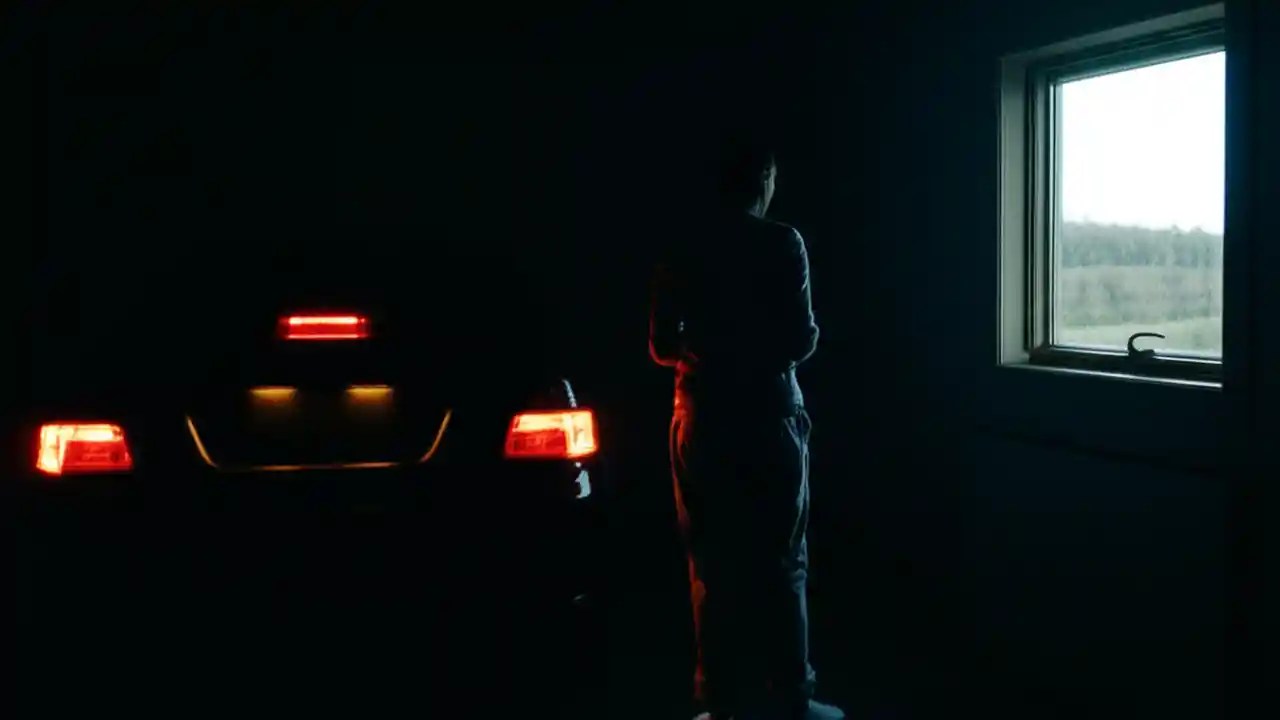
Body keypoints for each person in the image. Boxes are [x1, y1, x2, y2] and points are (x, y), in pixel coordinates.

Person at [649, 136, 844, 720]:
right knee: (783, 560)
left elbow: (661, 346)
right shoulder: (782, 243)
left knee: (711, 562)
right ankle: (790, 696)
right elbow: (801, 337)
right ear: (762, 178)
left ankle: (720, 699)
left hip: (702, 418)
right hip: (768, 416)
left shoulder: (680, 249)